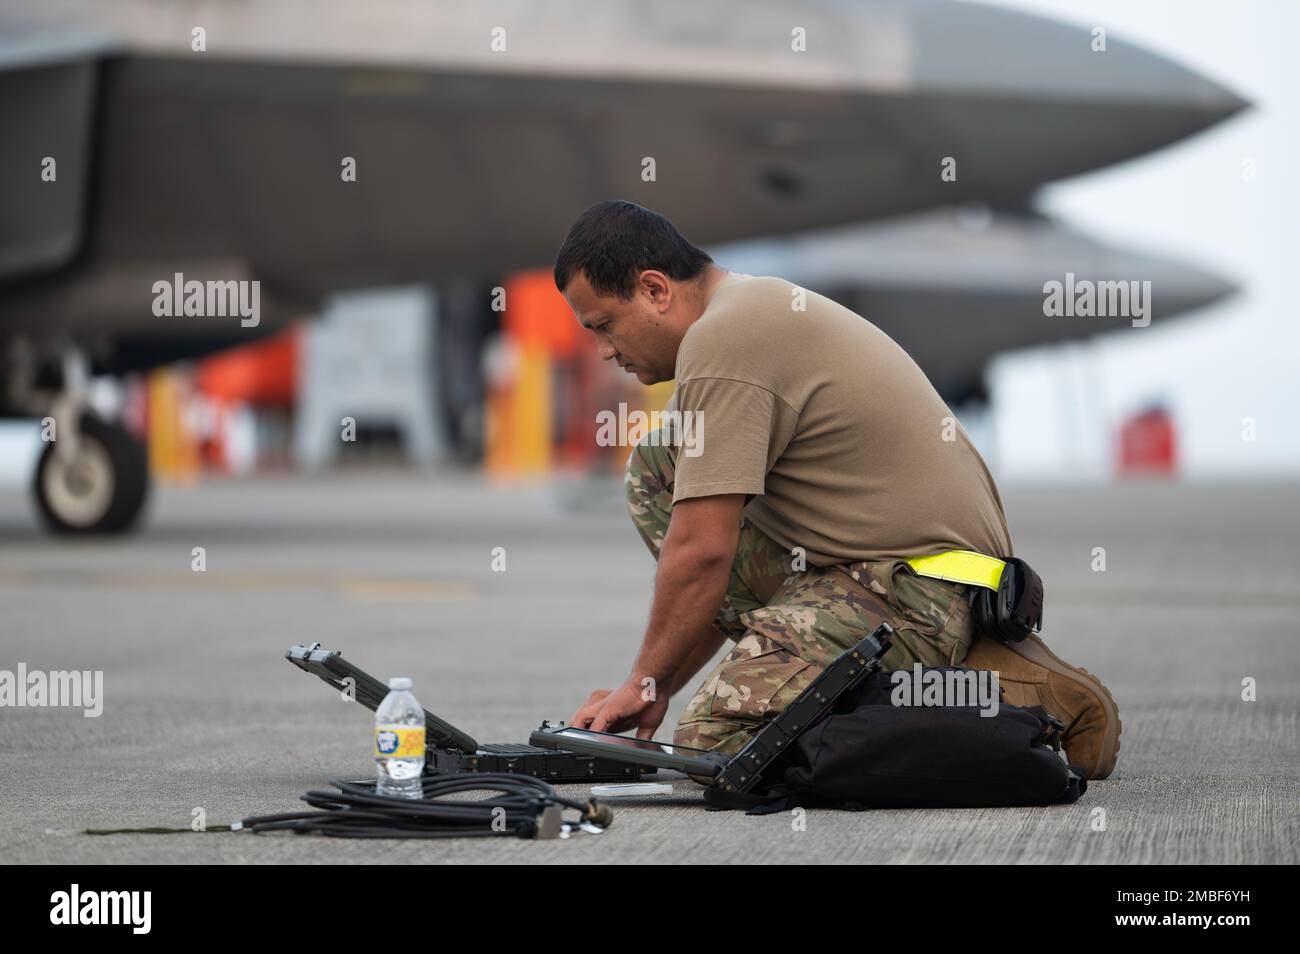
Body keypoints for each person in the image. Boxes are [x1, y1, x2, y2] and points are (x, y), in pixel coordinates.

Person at [554, 200, 1120, 779]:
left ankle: (1001, 697)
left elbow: (702, 551)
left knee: (723, 744)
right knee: (660, 467)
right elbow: (707, 559)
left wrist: (646, 683)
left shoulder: (725, 339)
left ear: (654, 290)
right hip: (880, 575)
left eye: (603, 325)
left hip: (921, 589)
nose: (604, 349)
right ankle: (817, 673)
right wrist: (660, 683)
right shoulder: (741, 311)